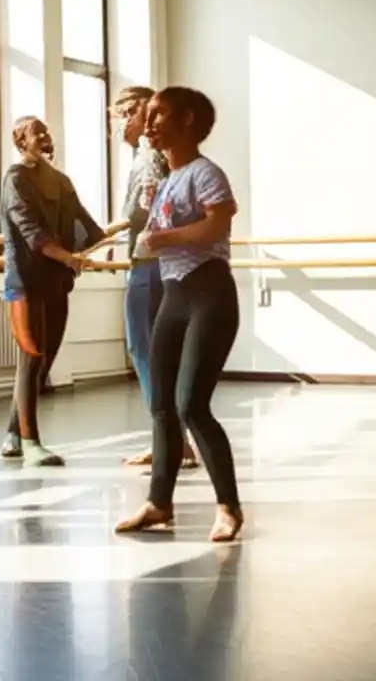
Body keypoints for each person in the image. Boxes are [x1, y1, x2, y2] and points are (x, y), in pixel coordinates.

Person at [114, 87, 244, 543]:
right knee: (162, 406)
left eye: (158, 114)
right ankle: (158, 504)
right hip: (174, 295)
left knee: (192, 405)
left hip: (209, 294)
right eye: (147, 115)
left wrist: (166, 238)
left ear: (187, 120)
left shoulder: (205, 172)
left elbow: (219, 220)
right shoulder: (167, 179)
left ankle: (228, 506)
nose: (148, 122)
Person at [103, 87, 199, 470]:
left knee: (147, 352)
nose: (119, 125)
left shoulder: (147, 160)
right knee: (160, 354)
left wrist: (91, 239)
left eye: (125, 114)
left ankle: (171, 443)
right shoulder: (155, 157)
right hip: (164, 265)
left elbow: (139, 214)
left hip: (151, 266)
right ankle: (173, 441)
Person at [0, 116, 103, 464]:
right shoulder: (16, 179)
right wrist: (68, 256)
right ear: (20, 141)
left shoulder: (61, 181)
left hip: (57, 281)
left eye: (46, 130)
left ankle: (14, 431)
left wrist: (121, 238)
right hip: (25, 282)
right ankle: (30, 443)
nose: (44, 136)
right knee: (31, 358)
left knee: (45, 360)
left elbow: (85, 224)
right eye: (35, 132)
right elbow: (31, 231)